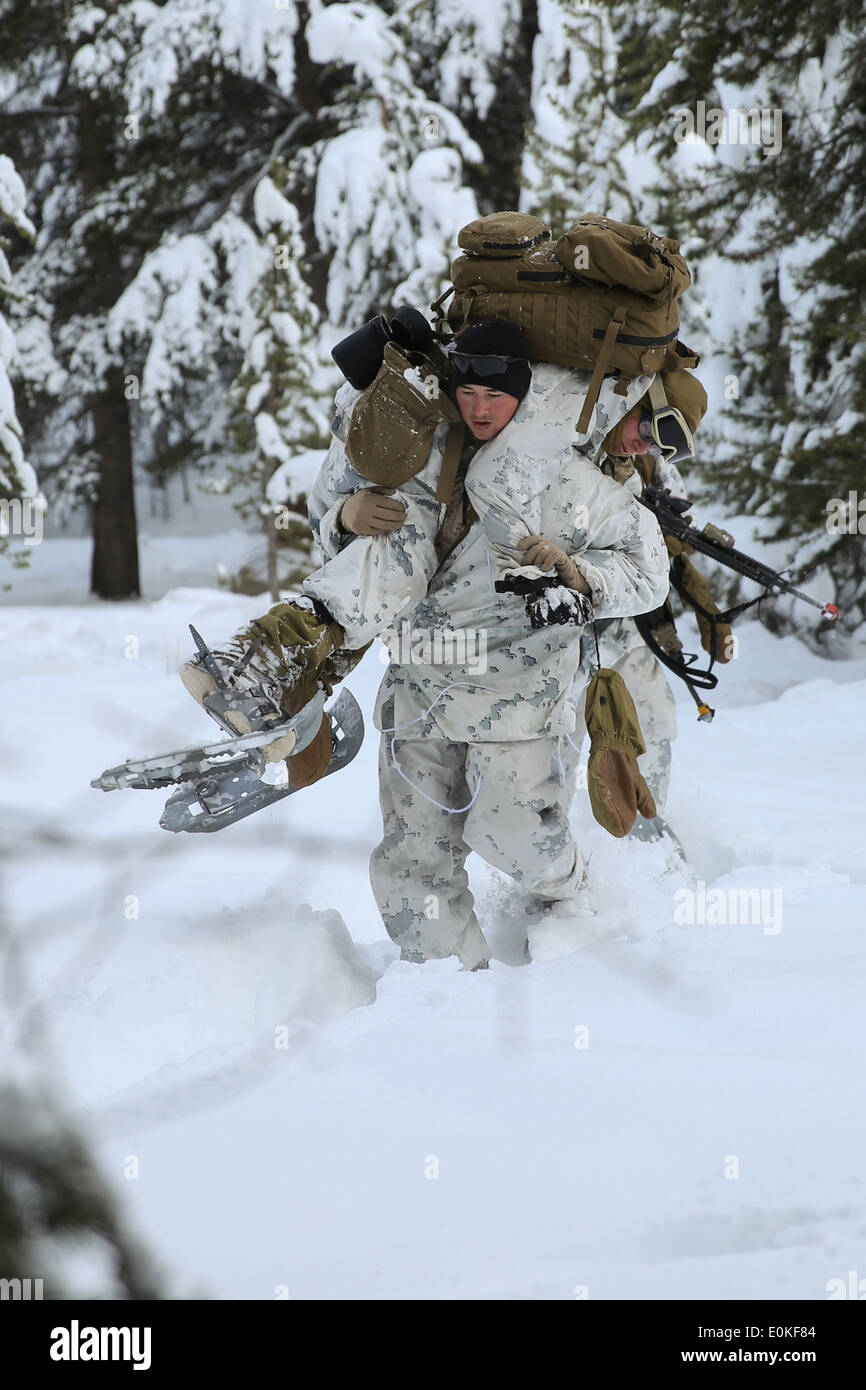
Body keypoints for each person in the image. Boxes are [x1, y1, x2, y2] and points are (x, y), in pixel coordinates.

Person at [182, 319, 670, 966]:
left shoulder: (567, 479)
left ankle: (573, 918)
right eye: (468, 393)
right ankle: (444, 1007)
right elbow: (355, 557)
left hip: (516, 694)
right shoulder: (419, 448)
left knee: (517, 838)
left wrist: (583, 578)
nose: (480, 408)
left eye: (496, 396)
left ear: (527, 394)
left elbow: (650, 569)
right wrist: (341, 517)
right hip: (418, 689)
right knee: (412, 872)